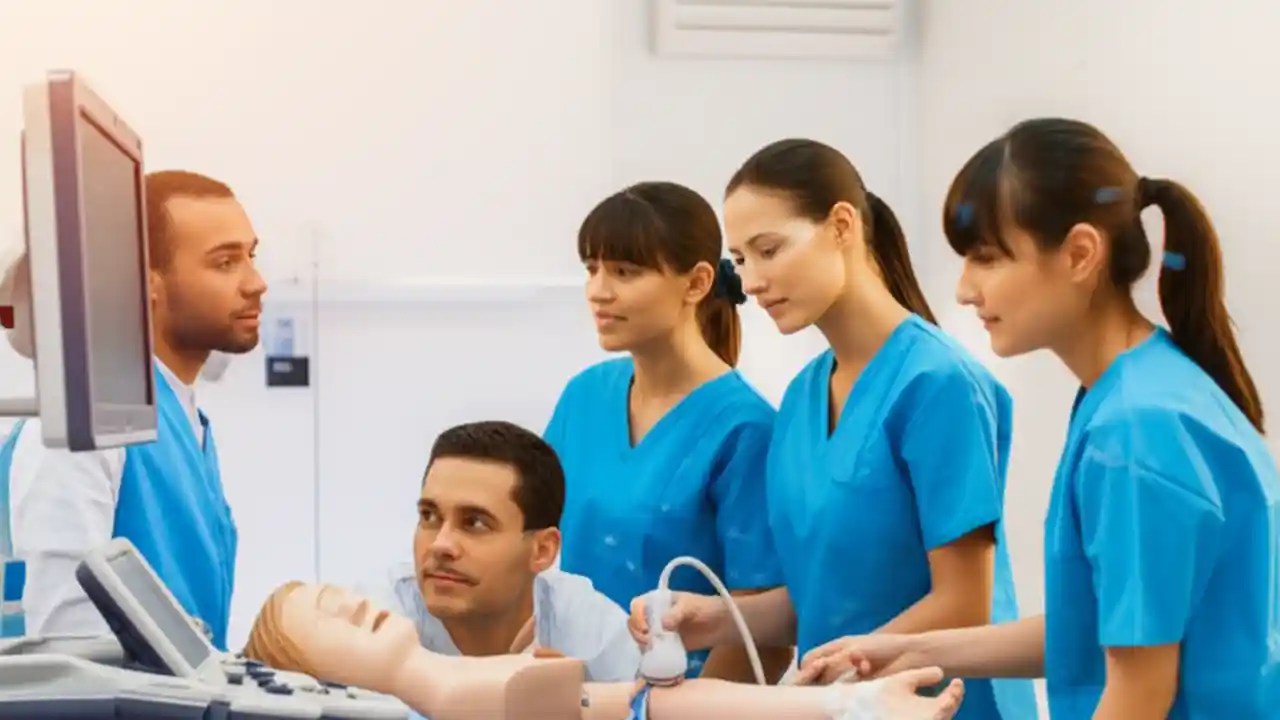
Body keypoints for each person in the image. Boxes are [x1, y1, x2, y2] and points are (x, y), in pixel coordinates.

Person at [801, 117, 1280, 719]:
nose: (967, 289)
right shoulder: (1142, 389)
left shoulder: (1136, 430)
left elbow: (1139, 693)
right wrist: (906, 649)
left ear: (1080, 254)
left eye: (988, 259)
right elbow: (1099, 626)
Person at [629, 139, 1037, 719]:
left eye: (769, 250)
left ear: (842, 225)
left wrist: (831, 681)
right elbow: (822, 599)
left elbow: (963, 601)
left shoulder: (936, 384)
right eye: (741, 261)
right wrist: (716, 619)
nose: (753, 281)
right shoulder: (800, 399)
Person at [0, 170, 266, 649]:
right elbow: (69, 645)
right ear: (146, 283)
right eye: (225, 262)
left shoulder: (185, 423)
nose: (256, 283)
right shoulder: (87, 424)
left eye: (251, 256)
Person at [544, 181, 791, 681]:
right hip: (575, 696)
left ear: (696, 283)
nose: (598, 290)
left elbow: (762, 635)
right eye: (592, 269)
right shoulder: (583, 398)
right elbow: (535, 551)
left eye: (624, 272)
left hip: (679, 700)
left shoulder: (747, 431)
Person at [243, 579, 967, 720]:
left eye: (338, 591)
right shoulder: (442, 694)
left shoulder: (449, 683)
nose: (356, 602)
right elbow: (646, 706)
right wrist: (844, 706)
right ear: (318, 688)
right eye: (330, 619)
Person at [361, 420, 640, 682]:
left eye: (475, 523)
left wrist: (584, 703)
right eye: (429, 516)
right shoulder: (378, 613)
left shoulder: (588, 627)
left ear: (542, 550)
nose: (440, 545)